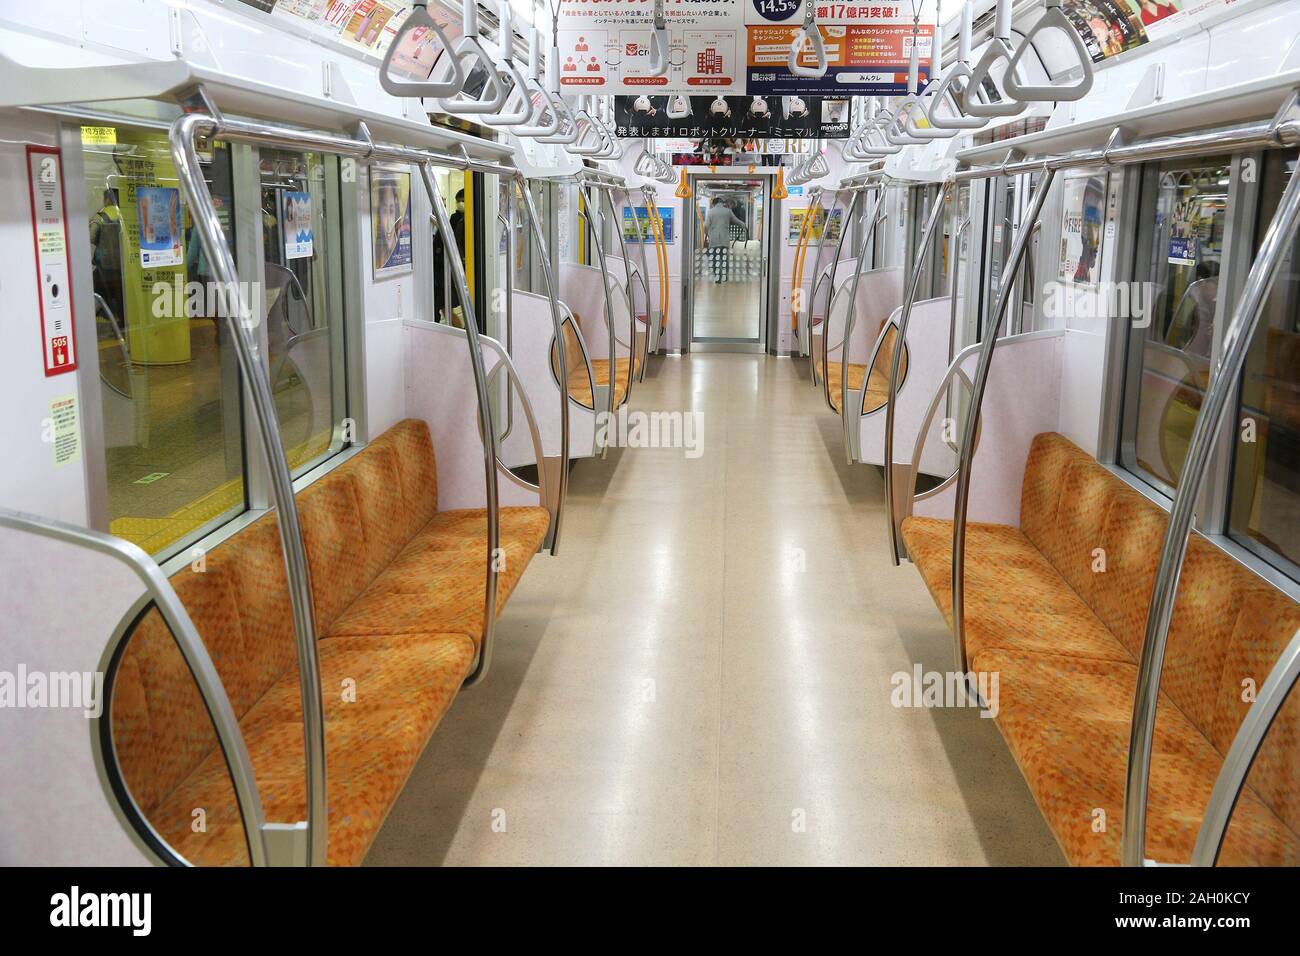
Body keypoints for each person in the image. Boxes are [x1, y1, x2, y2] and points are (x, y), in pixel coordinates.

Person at [89, 188, 123, 322]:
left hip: (104, 265)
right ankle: (120, 319)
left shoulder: (100, 217)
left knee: (98, 291)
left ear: (107, 199)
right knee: (120, 293)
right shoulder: (123, 215)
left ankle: (94, 316)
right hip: (122, 265)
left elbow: (91, 238)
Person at [705, 195, 746, 282]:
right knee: (724, 257)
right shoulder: (728, 211)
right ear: (721, 203)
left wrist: (707, 234)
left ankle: (717, 276)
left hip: (714, 238)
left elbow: (706, 225)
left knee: (714, 257)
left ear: (714, 204)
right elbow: (737, 221)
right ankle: (724, 276)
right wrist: (744, 225)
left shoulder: (710, 212)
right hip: (724, 238)